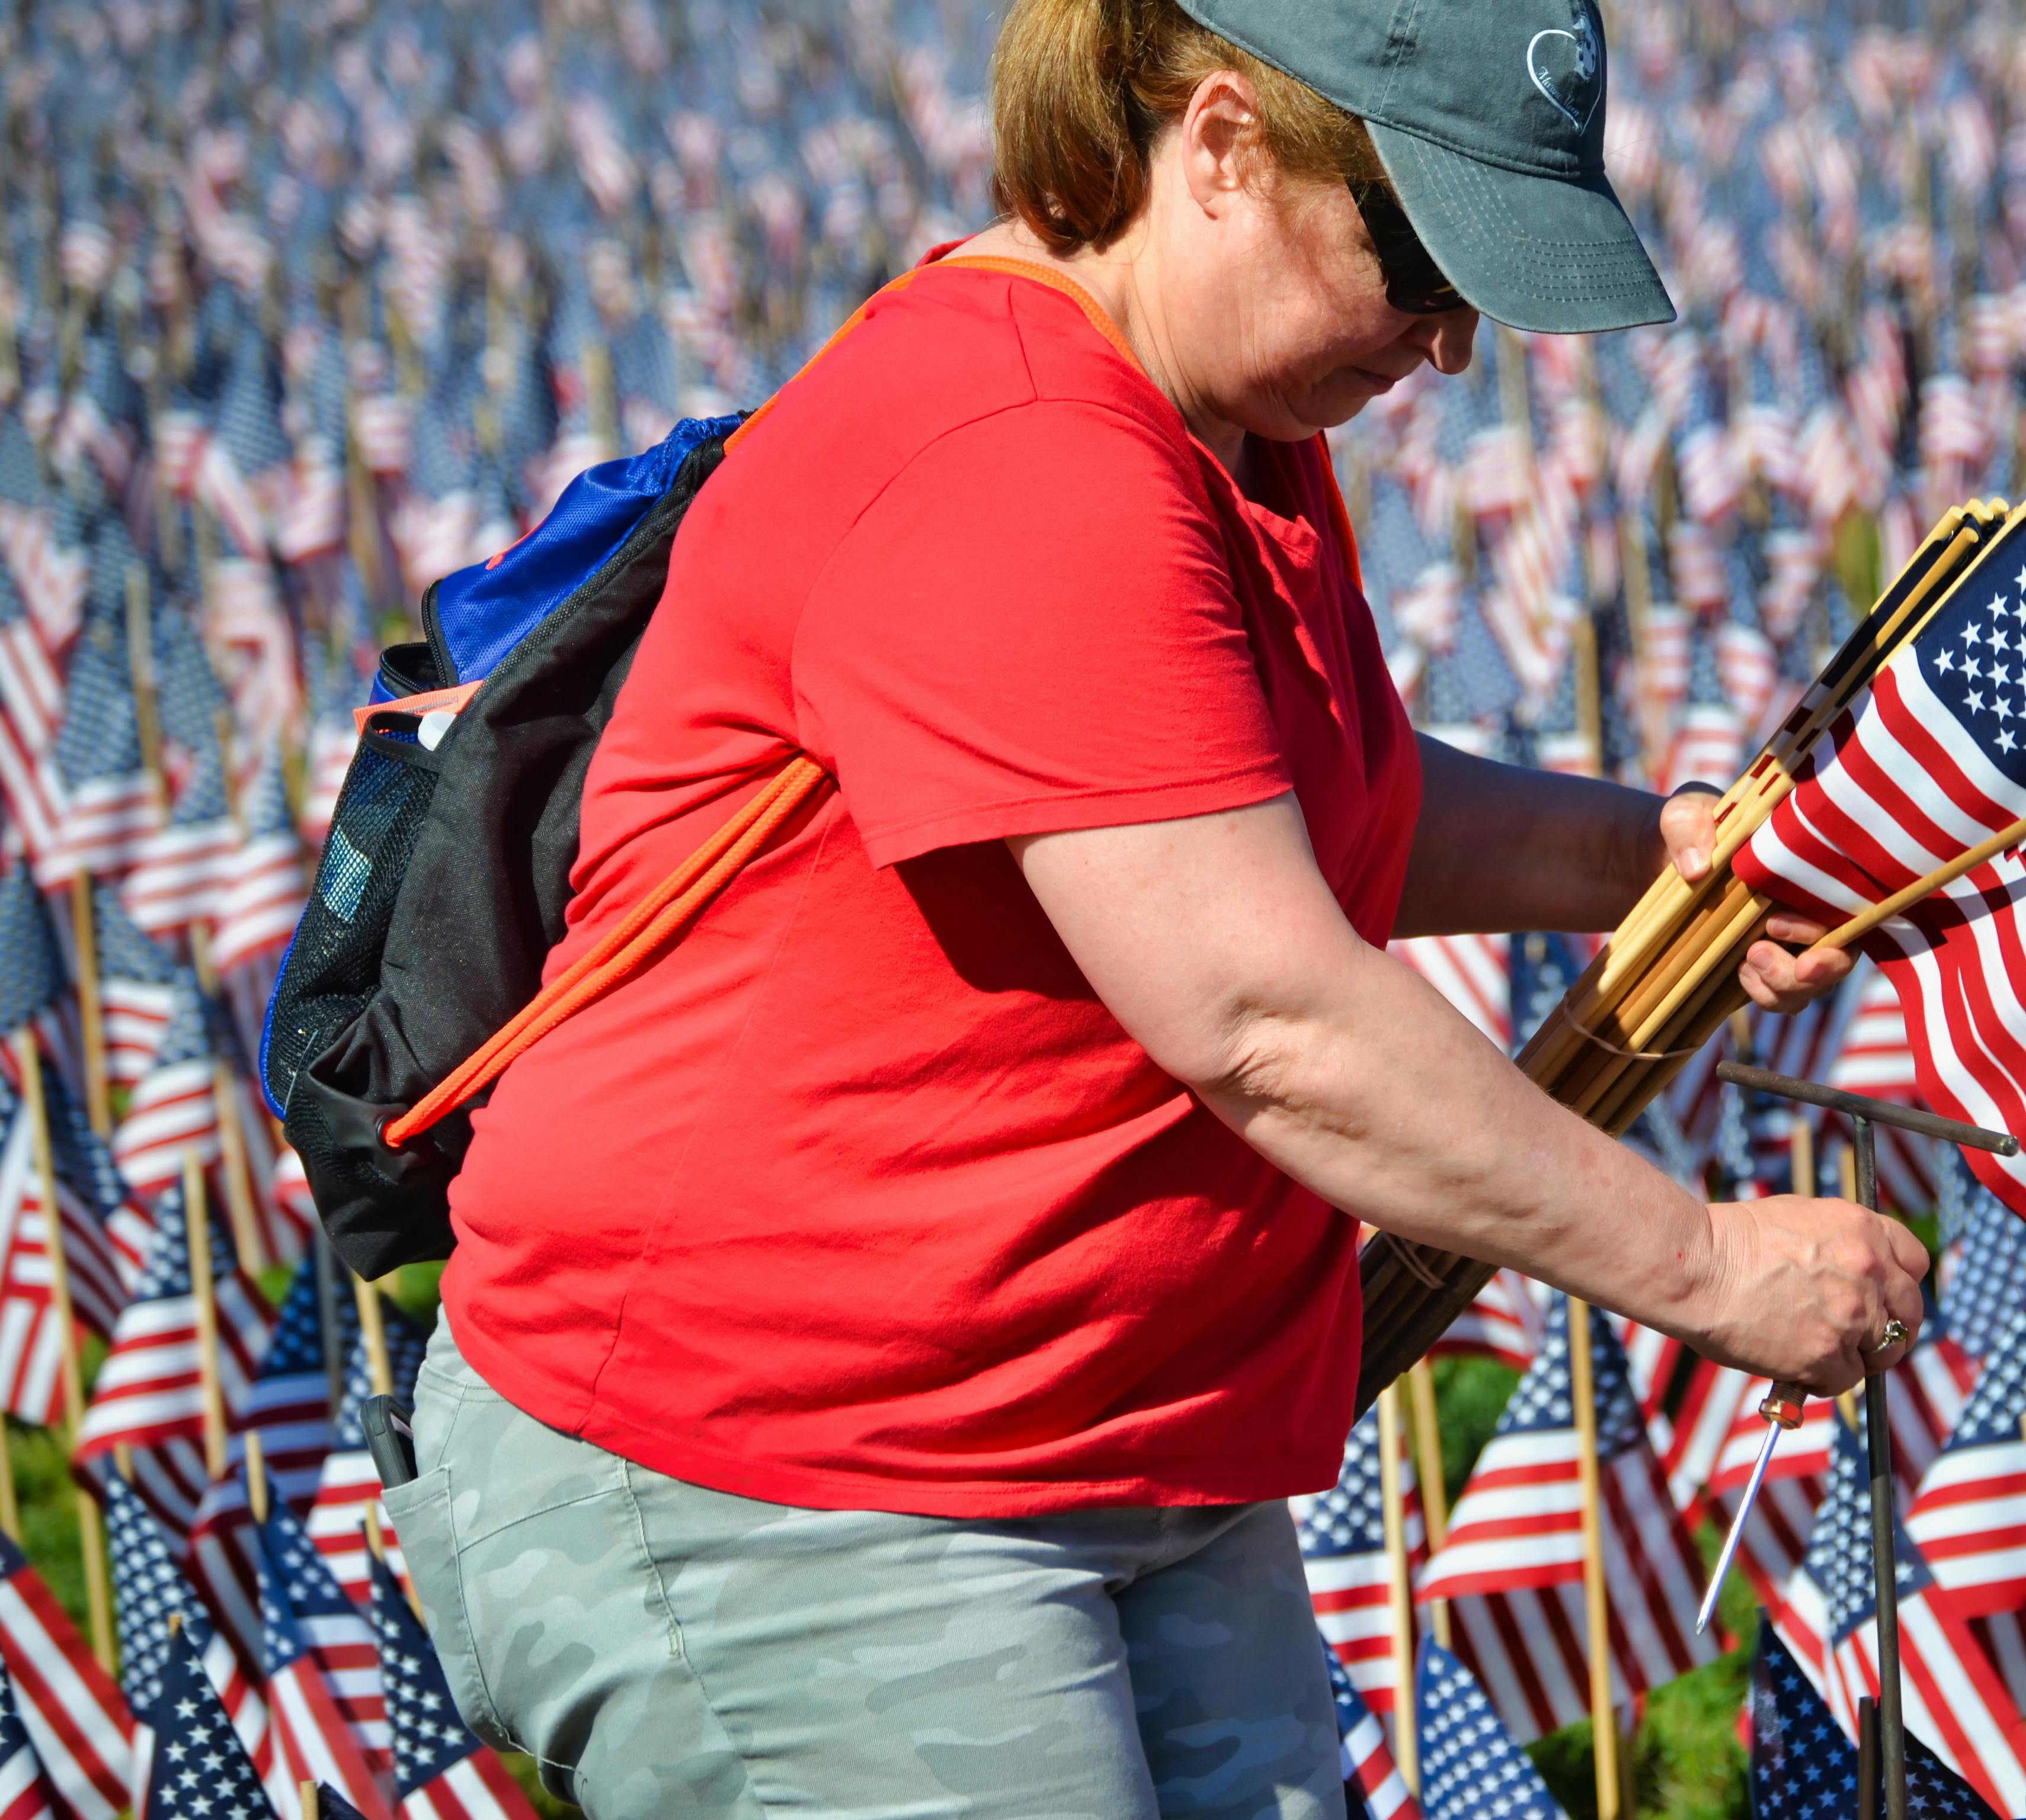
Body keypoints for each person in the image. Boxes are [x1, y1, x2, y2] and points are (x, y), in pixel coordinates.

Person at [383, 1, 1929, 1814]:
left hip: (1096, 1446)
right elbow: (1269, 1022)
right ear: (1219, 146)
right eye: (1425, 255)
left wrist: (1641, 862)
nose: (1448, 344)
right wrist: (1708, 1269)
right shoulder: (1018, 449)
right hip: (792, 1477)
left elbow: (1288, 804)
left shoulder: (1219, 427)